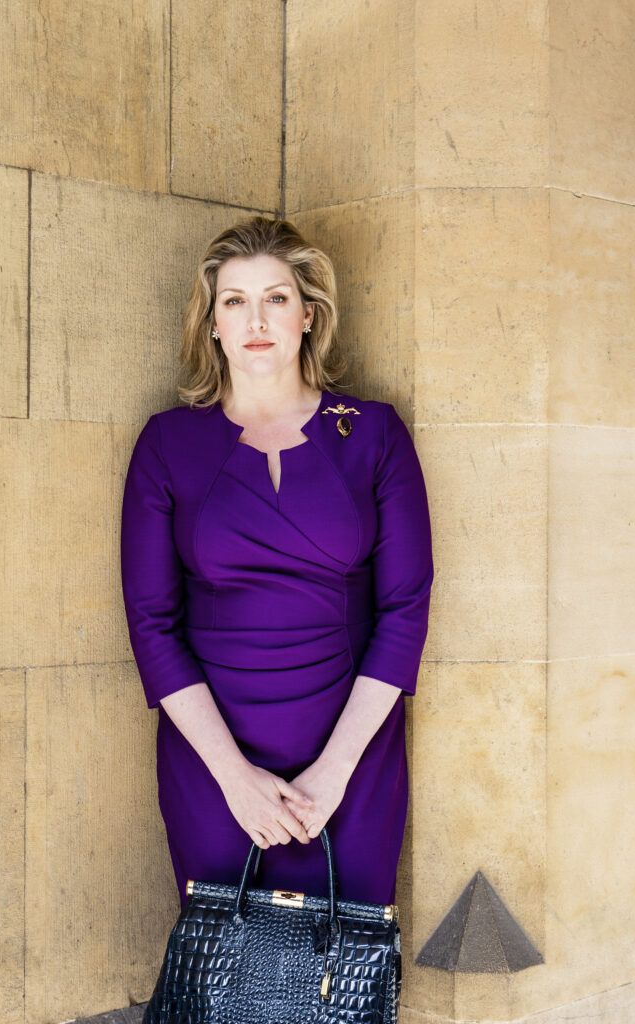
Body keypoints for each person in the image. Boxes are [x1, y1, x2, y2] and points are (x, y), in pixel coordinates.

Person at [120, 215, 433, 909]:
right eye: (234, 300)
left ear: (308, 317)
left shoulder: (374, 434)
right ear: (211, 325)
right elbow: (151, 624)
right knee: (224, 982)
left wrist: (336, 771)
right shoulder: (167, 444)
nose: (256, 318)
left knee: (341, 981)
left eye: (276, 298)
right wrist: (233, 777)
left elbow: (405, 609)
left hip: (353, 749)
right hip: (213, 757)